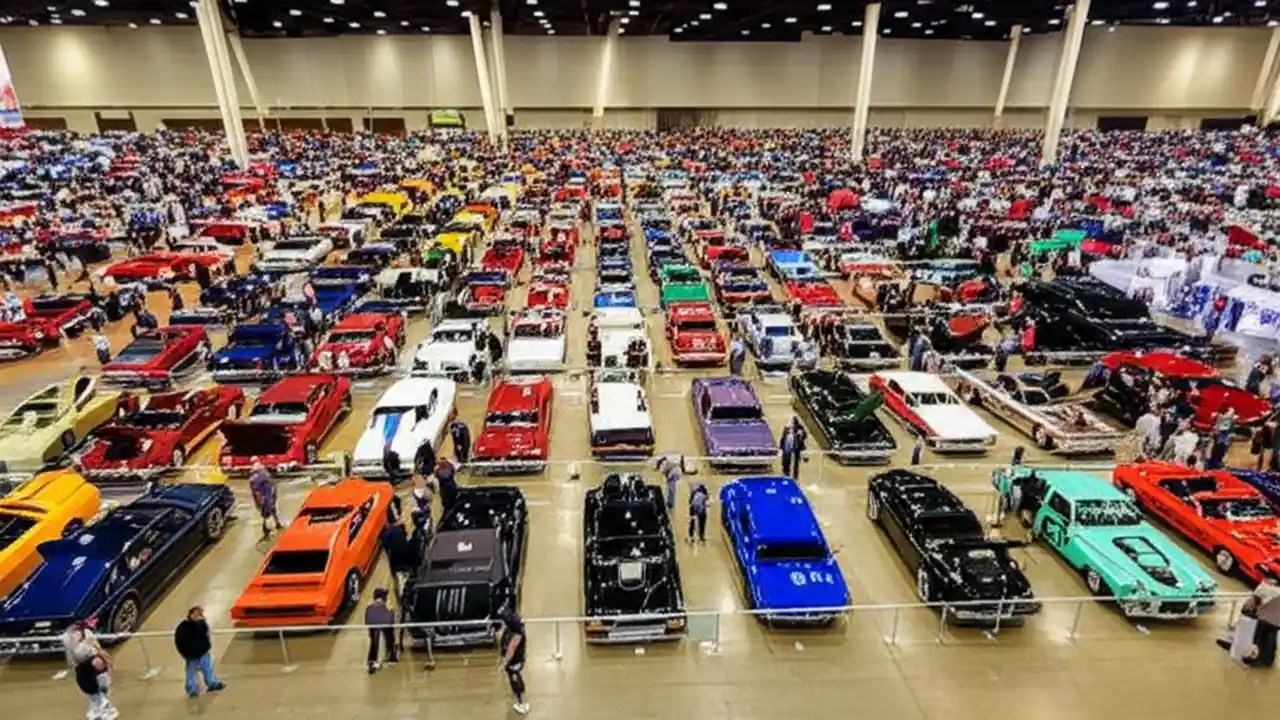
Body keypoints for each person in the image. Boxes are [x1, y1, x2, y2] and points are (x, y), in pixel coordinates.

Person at [174, 606, 225, 698]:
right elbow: (179, 642)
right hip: (191, 655)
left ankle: (212, 683)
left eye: (200, 614)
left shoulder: (201, 624)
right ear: (190, 614)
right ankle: (192, 689)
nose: (198, 616)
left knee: (207, 669)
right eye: (196, 614)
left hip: (202, 653)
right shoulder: (182, 628)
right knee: (192, 673)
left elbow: (206, 634)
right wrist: (185, 654)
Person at [496, 608, 530, 715]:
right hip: (516, 659)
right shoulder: (514, 628)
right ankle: (520, 692)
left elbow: (511, 649)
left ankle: (521, 703)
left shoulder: (516, 635)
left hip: (515, 661)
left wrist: (504, 663)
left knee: (514, 677)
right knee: (515, 676)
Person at [364, 588, 398, 674]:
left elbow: (367, 619)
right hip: (384, 625)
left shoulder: (370, 605)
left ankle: (372, 661)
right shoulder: (387, 604)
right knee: (389, 638)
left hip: (374, 626)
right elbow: (392, 618)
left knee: (374, 643)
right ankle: (391, 656)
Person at [249, 459, 285, 538]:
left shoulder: (257, 476)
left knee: (270, 510)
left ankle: (275, 524)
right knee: (267, 513)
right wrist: (261, 500)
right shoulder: (258, 477)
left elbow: (271, 484)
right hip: (265, 497)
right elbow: (257, 491)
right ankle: (267, 528)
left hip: (268, 496)